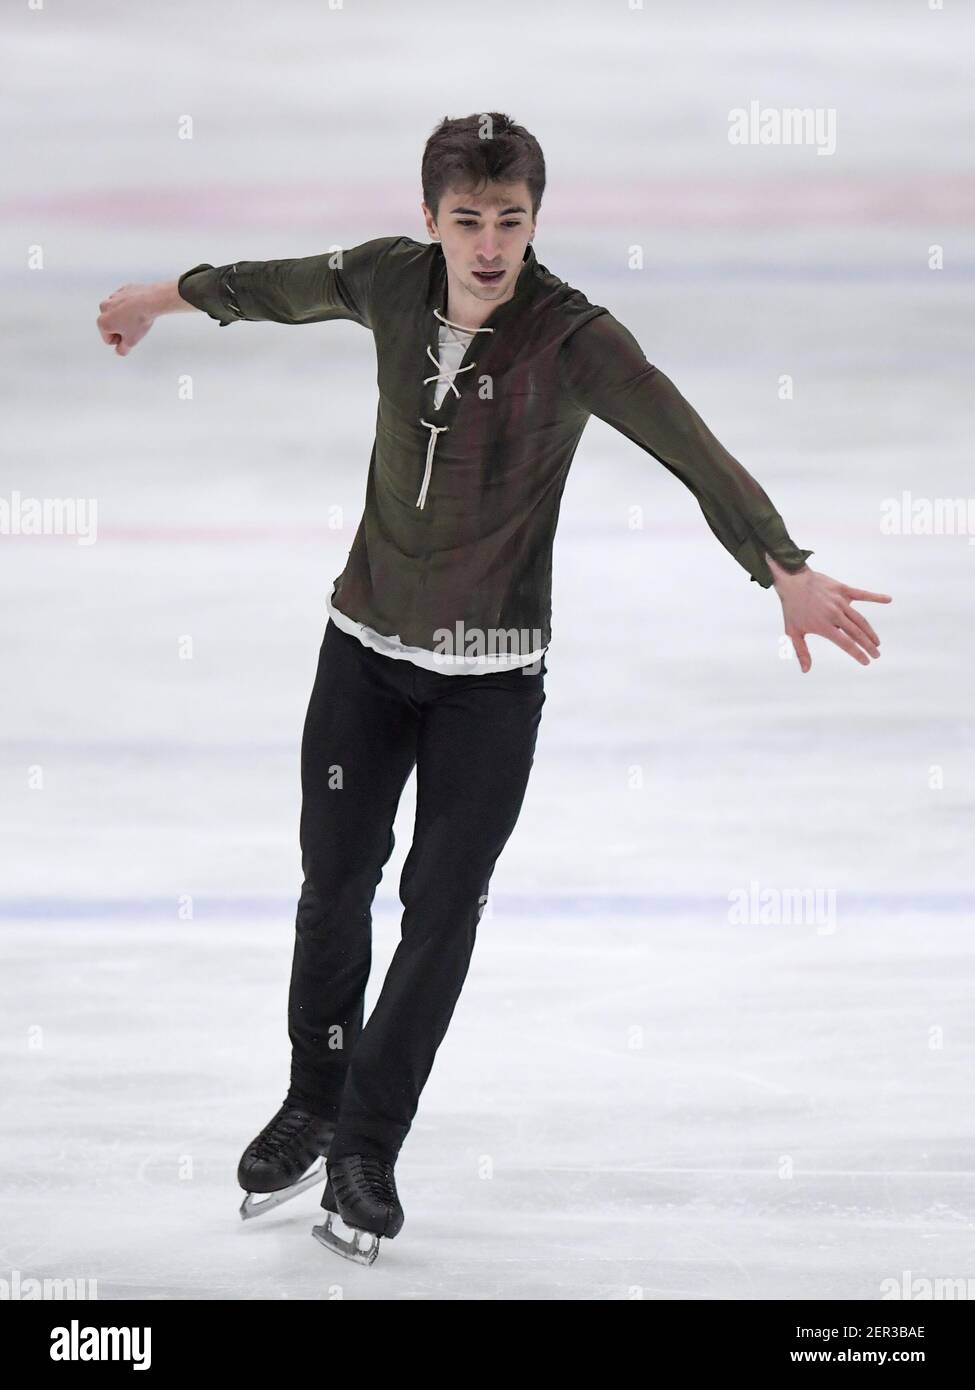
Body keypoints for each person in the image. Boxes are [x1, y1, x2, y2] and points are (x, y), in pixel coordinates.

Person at [96, 111, 891, 1264]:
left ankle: (367, 1143)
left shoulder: (573, 338)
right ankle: (313, 1100)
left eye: (508, 220)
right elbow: (273, 286)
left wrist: (782, 564)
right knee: (333, 882)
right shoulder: (386, 280)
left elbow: (689, 444)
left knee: (440, 910)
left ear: (534, 221)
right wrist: (155, 299)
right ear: (431, 220)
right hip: (362, 651)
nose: (487, 243)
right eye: (466, 219)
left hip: (491, 683)